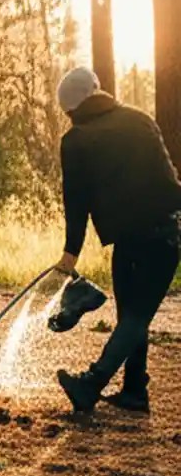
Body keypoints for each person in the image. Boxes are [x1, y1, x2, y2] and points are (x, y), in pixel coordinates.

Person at [54, 66, 181, 414]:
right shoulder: (139, 120)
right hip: (164, 235)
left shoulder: (75, 141)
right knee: (133, 316)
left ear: (72, 109)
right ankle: (135, 391)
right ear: (98, 91)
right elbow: (168, 175)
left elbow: (75, 201)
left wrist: (71, 252)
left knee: (134, 314)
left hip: (129, 241)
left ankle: (91, 384)